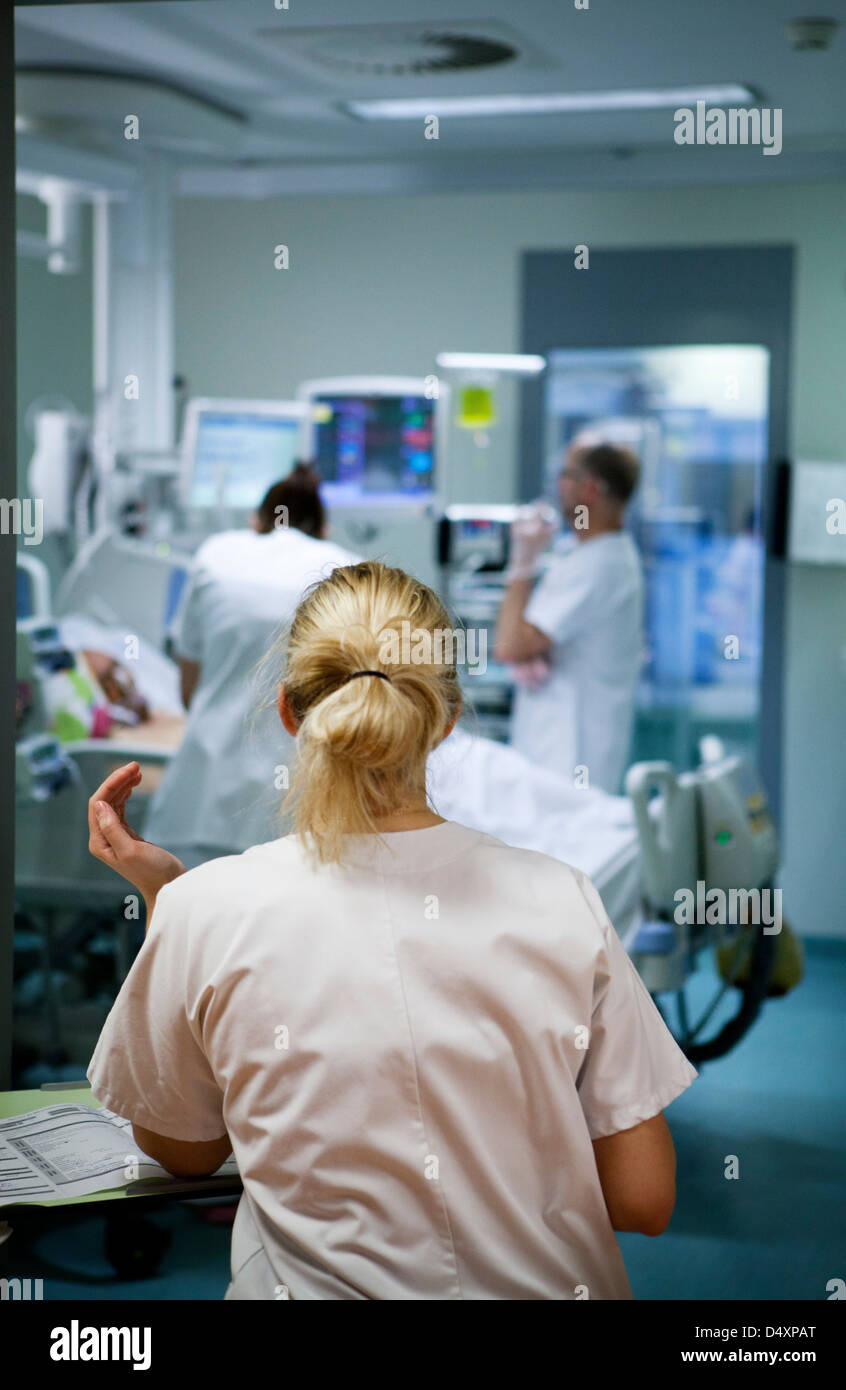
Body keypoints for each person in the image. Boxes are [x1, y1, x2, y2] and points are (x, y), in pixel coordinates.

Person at [86, 559, 697, 1301]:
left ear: (288, 712)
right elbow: (643, 1198)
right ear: (442, 721)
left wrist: (171, 909)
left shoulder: (209, 909)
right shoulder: (564, 900)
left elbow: (184, 1149)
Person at [143, 463, 358, 868]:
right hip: (297, 818)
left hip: (197, 809)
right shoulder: (345, 568)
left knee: (184, 927)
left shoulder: (217, 554)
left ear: (255, 520)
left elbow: (189, 688)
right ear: (324, 528)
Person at [495, 441, 644, 794]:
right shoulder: (583, 555)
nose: (558, 485)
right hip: (555, 751)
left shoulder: (599, 565)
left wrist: (522, 562)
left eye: (565, 475)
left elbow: (510, 646)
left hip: (569, 761)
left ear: (589, 488)